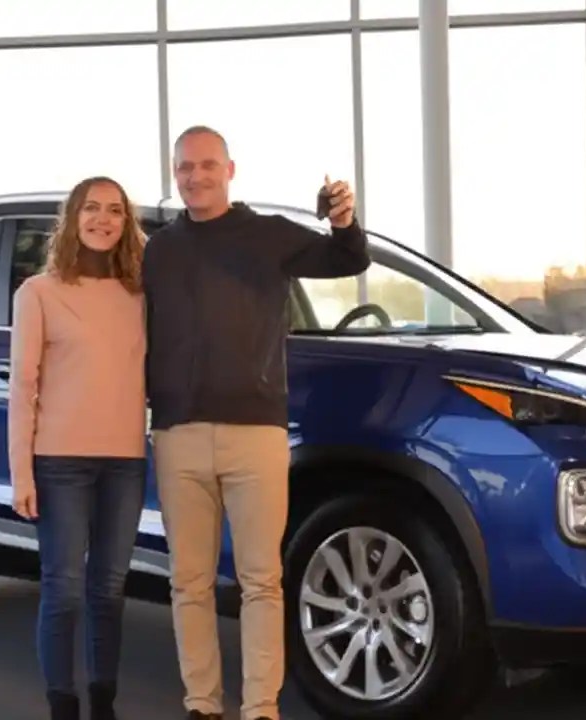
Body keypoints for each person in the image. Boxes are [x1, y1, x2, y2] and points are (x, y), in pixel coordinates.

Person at [142, 126, 370, 720]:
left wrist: (343, 216)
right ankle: (202, 703)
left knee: (261, 581)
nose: (195, 176)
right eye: (185, 167)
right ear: (175, 173)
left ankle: (261, 707)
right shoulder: (158, 249)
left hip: (256, 435)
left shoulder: (268, 235)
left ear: (230, 169)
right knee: (187, 582)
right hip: (178, 436)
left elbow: (347, 257)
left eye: (206, 165)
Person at [8, 176, 149, 720]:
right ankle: (62, 704)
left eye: (115, 211)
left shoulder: (140, 295)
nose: (102, 220)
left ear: (126, 223)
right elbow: (23, 388)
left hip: (125, 462)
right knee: (63, 588)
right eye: (91, 209)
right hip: (59, 462)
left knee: (109, 590)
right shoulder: (38, 293)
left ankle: (104, 704)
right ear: (72, 218)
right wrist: (23, 472)